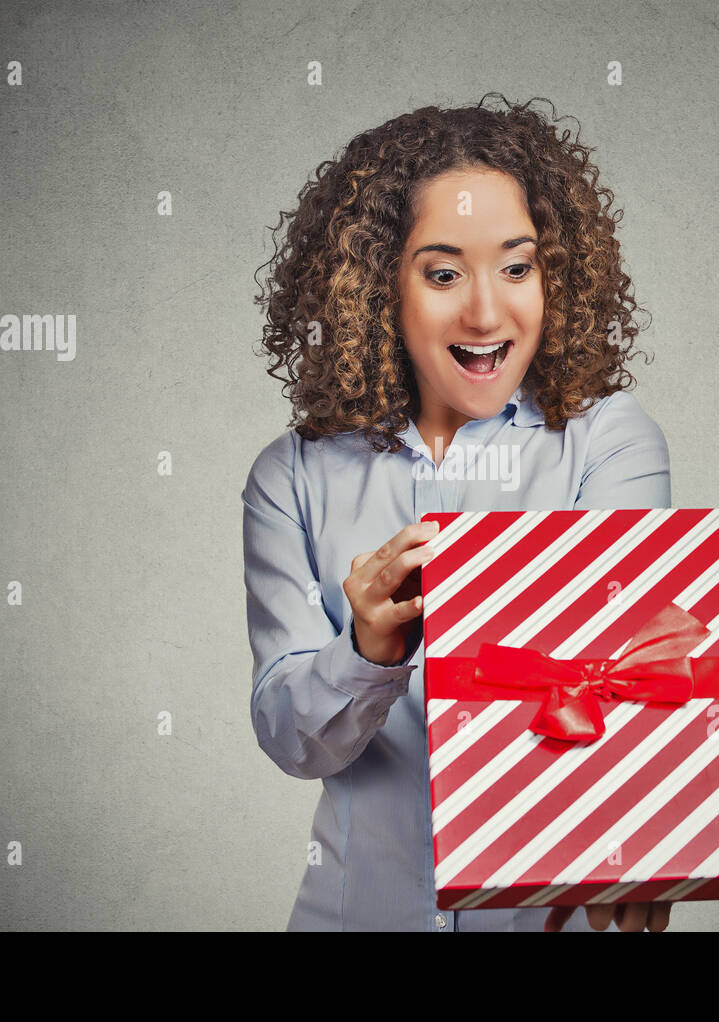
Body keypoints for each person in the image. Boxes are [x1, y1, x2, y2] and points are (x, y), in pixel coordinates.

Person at [241, 94, 673, 931]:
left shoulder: (609, 445)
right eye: (443, 273)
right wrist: (365, 649)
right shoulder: (290, 478)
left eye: (517, 267)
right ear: (376, 289)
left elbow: (629, 681)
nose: (484, 312)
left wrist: (645, 838)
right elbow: (292, 741)